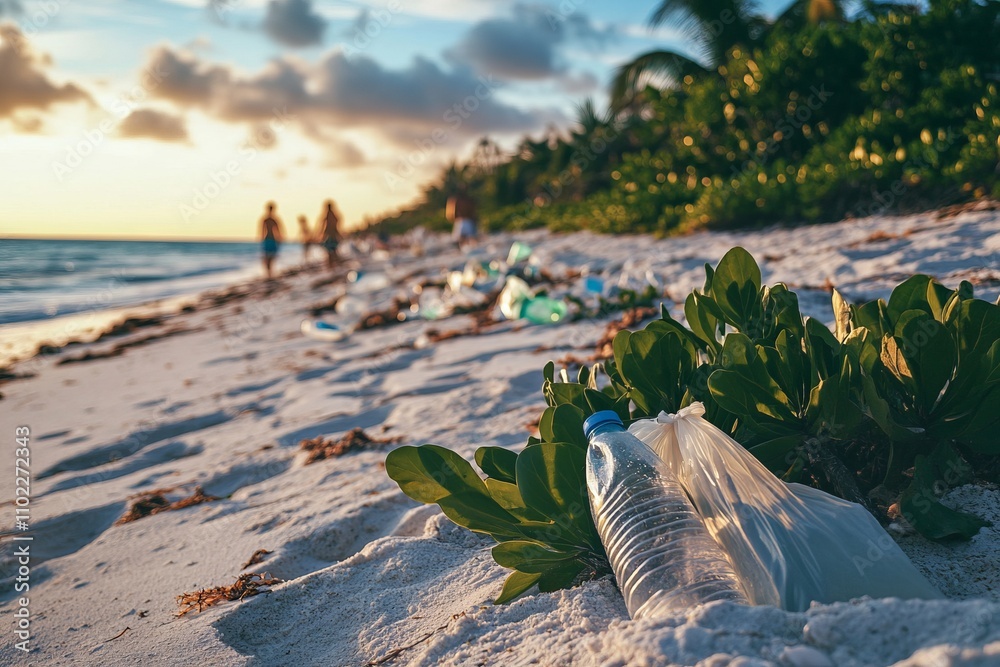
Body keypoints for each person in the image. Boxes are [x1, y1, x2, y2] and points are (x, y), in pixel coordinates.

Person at [446, 184, 477, 250]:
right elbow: (473, 212)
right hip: (467, 221)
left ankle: (463, 250)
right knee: (468, 240)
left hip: (461, 221)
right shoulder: (468, 200)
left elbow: (451, 214)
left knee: (460, 240)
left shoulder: (456, 200)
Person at [259, 201, 284, 280]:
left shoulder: (268, 219)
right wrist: (280, 238)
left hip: (269, 239)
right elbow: (279, 230)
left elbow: (262, 231)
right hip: (271, 239)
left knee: (269, 257)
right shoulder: (270, 219)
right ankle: (269, 273)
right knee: (269, 257)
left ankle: (269, 273)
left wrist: (262, 239)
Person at [318, 199, 342, 271]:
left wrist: (320, 233)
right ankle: (333, 266)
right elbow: (338, 220)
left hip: (330, 235)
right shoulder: (333, 214)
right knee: (332, 251)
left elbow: (322, 223)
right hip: (332, 234)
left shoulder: (329, 214)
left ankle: (332, 267)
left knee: (331, 251)